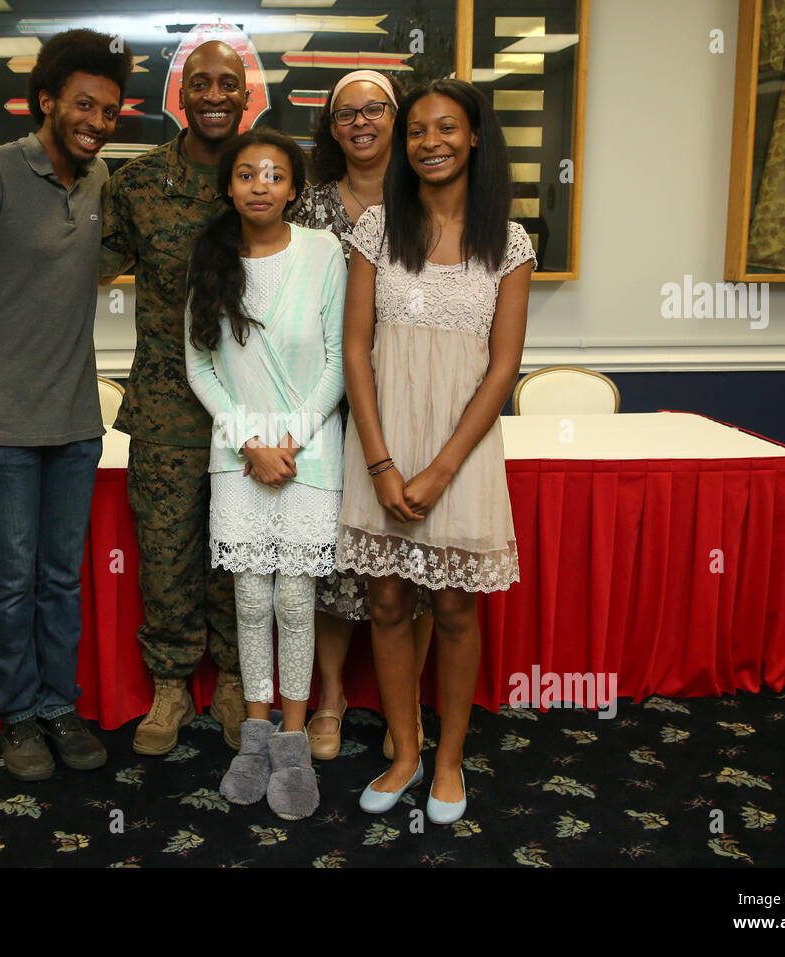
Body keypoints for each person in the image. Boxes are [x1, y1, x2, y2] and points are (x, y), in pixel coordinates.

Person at [0, 29, 133, 781]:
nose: (97, 120)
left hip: (77, 422)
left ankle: (57, 705)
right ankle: (15, 714)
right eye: (84, 104)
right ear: (46, 100)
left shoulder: (100, 181)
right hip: (4, 424)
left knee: (61, 579)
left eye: (110, 110)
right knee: (10, 578)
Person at [337, 78, 535, 824]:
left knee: (453, 606)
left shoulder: (509, 242)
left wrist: (444, 464)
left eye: (446, 128)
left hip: (462, 449)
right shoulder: (375, 230)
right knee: (386, 600)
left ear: (476, 137)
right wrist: (383, 463)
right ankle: (404, 750)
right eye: (416, 130)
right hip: (383, 444)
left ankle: (450, 757)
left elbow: (503, 367)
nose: (430, 142)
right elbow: (356, 351)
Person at [98, 41, 256, 755]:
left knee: (239, 556)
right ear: (180, 97)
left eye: (229, 82)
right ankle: (168, 685)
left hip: (256, 410)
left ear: (245, 94)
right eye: (202, 83)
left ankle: (231, 679)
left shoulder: (268, 175)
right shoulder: (136, 184)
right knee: (165, 555)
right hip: (166, 410)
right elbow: (77, 268)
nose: (216, 94)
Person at [184, 130, 346, 820]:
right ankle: (253, 735)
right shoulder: (211, 255)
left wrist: (291, 438)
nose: (259, 185)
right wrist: (251, 441)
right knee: (250, 599)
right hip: (239, 454)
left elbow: (341, 358)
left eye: (274, 175)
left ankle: (293, 737)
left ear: (294, 189)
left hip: (309, 453)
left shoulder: (324, 251)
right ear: (229, 187)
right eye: (246, 174)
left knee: (293, 600)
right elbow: (201, 364)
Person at [287, 70, 435, 762]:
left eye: (375, 109)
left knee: (417, 558)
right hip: (326, 405)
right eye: (347, 113)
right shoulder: (307, 206)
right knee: (330, 562)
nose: (362, 122)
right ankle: (332, 697)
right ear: (332, 127)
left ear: (396, 117)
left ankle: (406, 707)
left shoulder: (428, 202)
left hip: (411, 399)